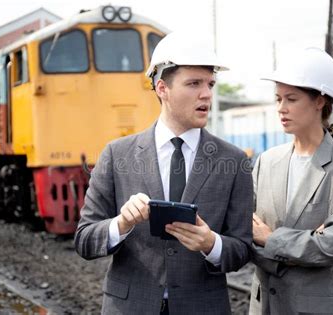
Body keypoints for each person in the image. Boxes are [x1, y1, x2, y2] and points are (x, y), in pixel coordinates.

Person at [74, 31, 253, 315]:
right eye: (193, 84)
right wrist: (120, 224)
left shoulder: (234, 161)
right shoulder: (116, 154)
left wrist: (211, 244)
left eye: (210, 83)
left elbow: (242, 249)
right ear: (162, 89)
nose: (206, 93)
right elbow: (84, 240)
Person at [248, 47, 333, 315]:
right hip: (265, 306)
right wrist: (306, 244)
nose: (281, 108)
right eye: (278, 98)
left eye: (291, 99)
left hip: (319, 307)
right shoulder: (266, 162)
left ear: (320, 101)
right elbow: (244, 232)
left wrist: (270, 239)